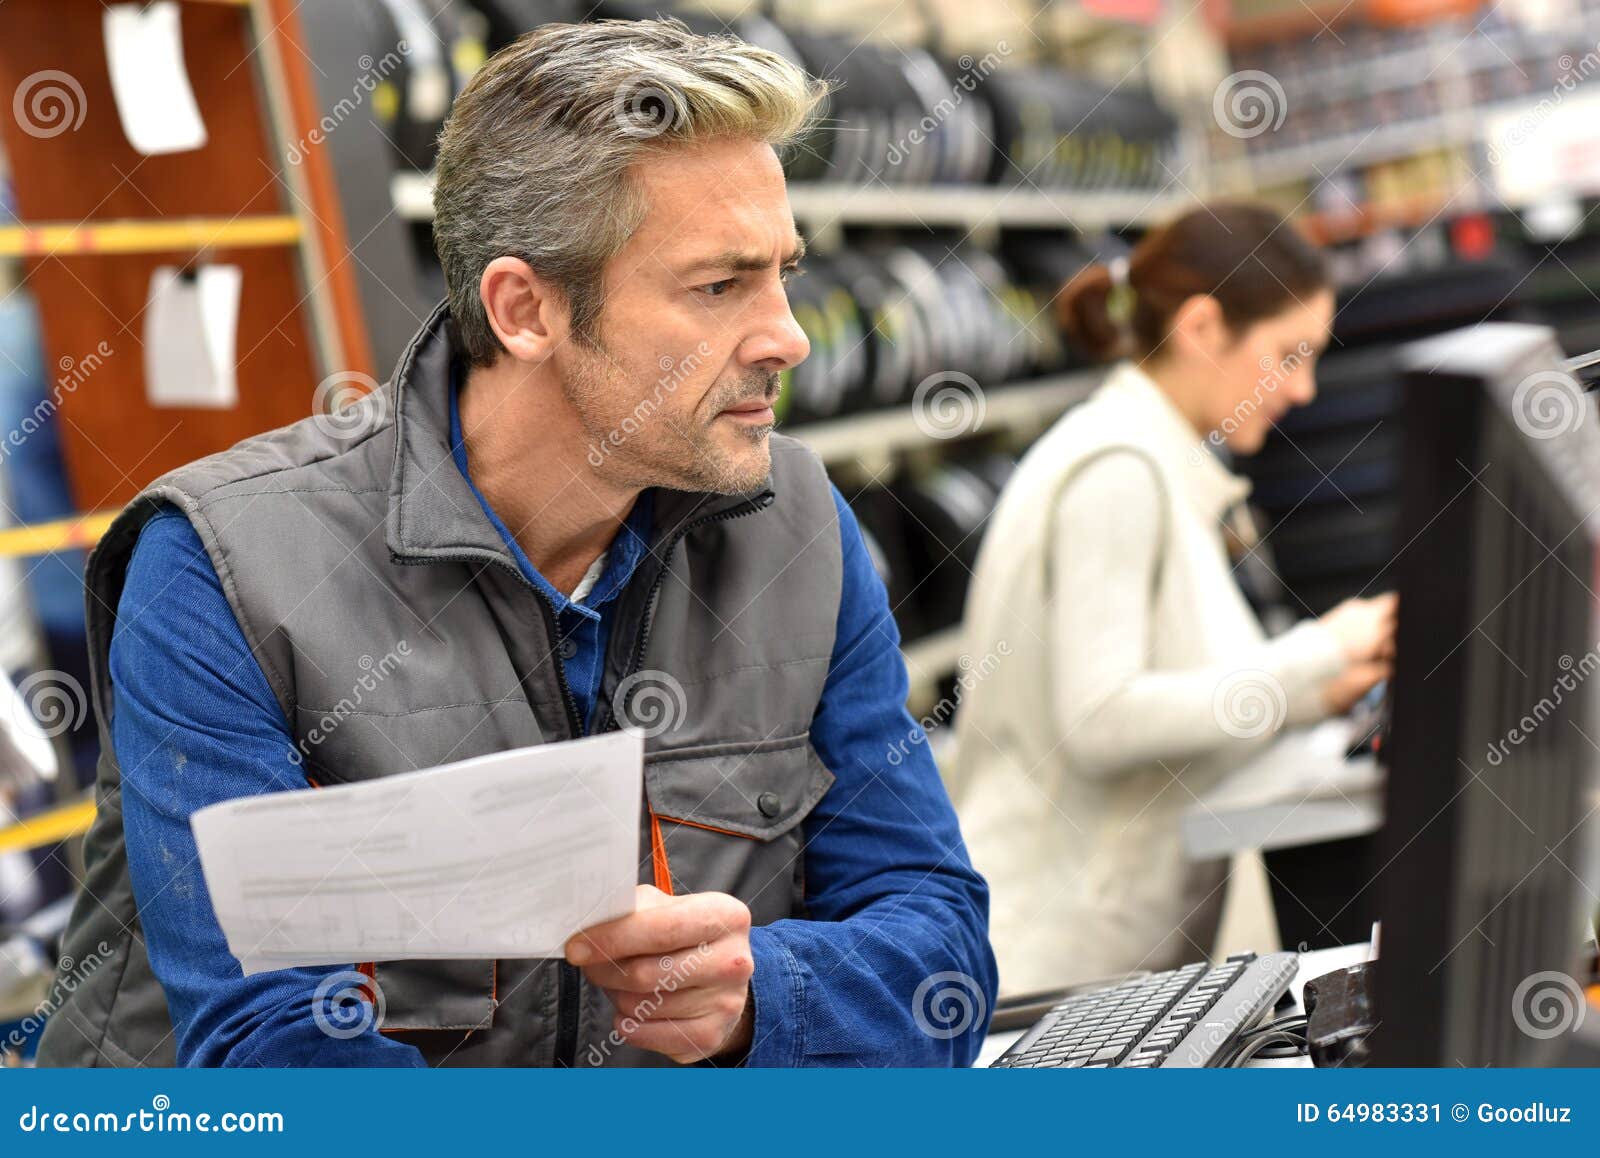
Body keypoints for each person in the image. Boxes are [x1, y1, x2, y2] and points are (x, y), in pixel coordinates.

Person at [37, 19, 996, 1068]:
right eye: (718, 287)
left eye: (782, 274)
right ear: (524, 309)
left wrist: (757, 998)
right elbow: (276, 1053)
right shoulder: (229, 569)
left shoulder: (799, 529)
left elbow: (938, 941)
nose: (789, 335)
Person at [946, 202, 1395, 996]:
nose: (1302, 389)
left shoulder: (1152, 460)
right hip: (1049, 971)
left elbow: (1183, 702)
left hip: (1106, 970)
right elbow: (1102, 720)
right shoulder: (1116, 470)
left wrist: (1322, 689)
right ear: (1200, 328)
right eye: (1287, 354)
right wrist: (1319, 651)